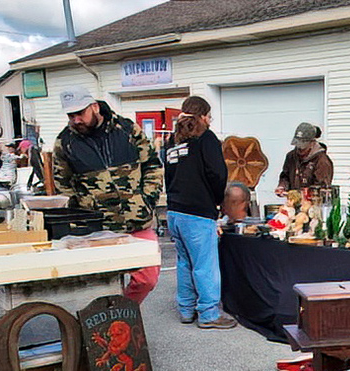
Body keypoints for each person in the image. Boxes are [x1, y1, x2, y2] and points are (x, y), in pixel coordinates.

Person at [52, 85, 162, 305]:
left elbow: (152, 165)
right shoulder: (65, 143)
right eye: (71, 115)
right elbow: (62, 184)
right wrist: (81, 213)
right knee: (101, 285)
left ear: (94, 107)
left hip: (137, 219)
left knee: (148, 278)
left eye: (80, 113)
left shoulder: (128, 130)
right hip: (97, 228)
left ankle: (122, 311)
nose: (76, 120)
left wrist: (147, 200)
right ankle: (108, 318)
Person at [165, 95, 237, 329]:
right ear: (204, 116)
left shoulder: (172, 140)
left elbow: (168, 175)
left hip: (174, 211)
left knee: (185, 263)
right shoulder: (206, 138)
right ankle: (208, 313)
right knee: (205, 265)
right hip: (197, 213)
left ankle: (186, 309)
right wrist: (216, 201)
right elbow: (218, 173)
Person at [274, 123, 333, 195]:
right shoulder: (291, 156)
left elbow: (322, 188)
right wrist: (282, 186)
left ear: (312, 143)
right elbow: (285, 176)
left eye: (303, 147)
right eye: (298, 145)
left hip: (313, 201)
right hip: (293, 200)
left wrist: (304, 195)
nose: (300, 149)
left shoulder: (322, 161)